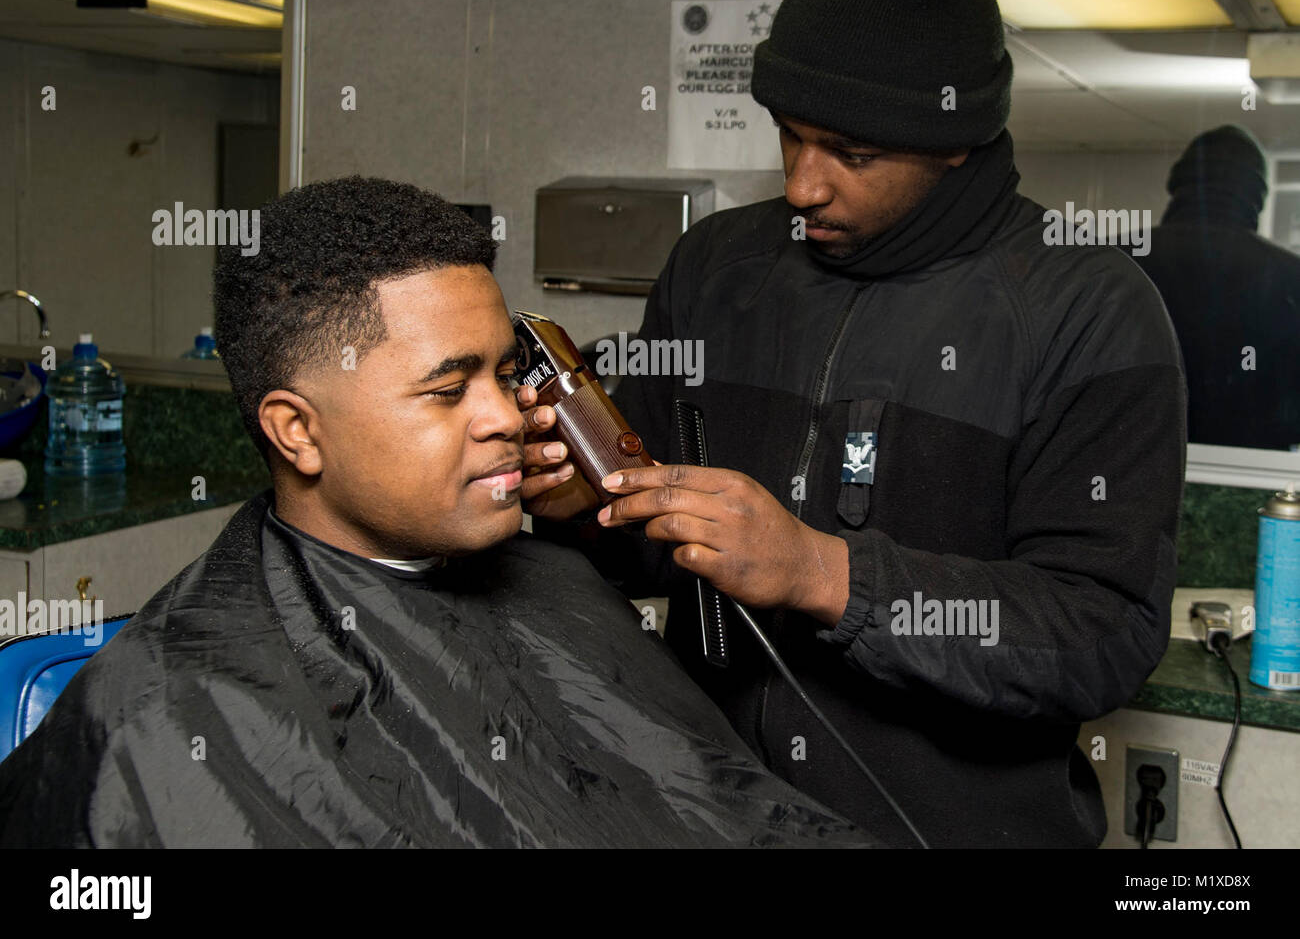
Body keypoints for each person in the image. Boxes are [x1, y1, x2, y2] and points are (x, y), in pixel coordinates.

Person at [523, 0, 1186, 848]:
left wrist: (822, 573)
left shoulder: (1091, 309)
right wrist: (570, 501)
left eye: (852, 153)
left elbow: (1102, 631)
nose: (801, 185)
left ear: (955, 142)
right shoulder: (717, 270)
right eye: (789, 137)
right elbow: (641, 533)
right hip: (707, 819)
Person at [0, 176, 870, 849]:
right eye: (449, 389)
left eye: (502, 372)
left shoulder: (547, 577)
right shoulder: (169, 714)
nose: (504, 416)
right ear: (297, 431)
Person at [1130, 124, 1300, 450]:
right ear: (1257, 195)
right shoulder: (1291, 276)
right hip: (1244, 476)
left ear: (1177, 181)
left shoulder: (1113, 259)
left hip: (1127, 463)